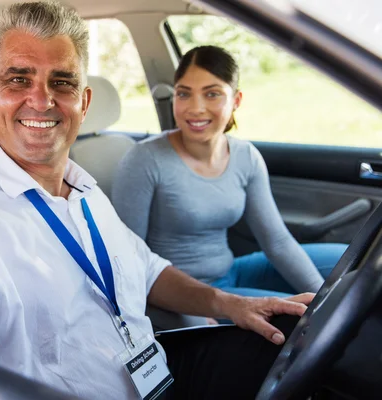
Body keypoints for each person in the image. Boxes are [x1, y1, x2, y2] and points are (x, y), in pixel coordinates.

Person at [0, 3, 314, 399]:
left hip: (157, 373)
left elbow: (145, 269)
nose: (42, 99)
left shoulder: (83, 189)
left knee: (299, 337)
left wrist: (228, 304)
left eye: (62, 82)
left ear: (83, 102)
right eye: (19, 79)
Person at [112, 45, 347, 299]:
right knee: (295, 315)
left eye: (212, 94)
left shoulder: (246, 156)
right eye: (184, 94)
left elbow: (277, 242)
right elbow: (128, 258)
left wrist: (321, 297)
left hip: (231, 272)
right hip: (186, 295)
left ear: (236, 101)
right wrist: (192, 311)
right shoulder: (145, 160)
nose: (196, 108)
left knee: (349, 260)